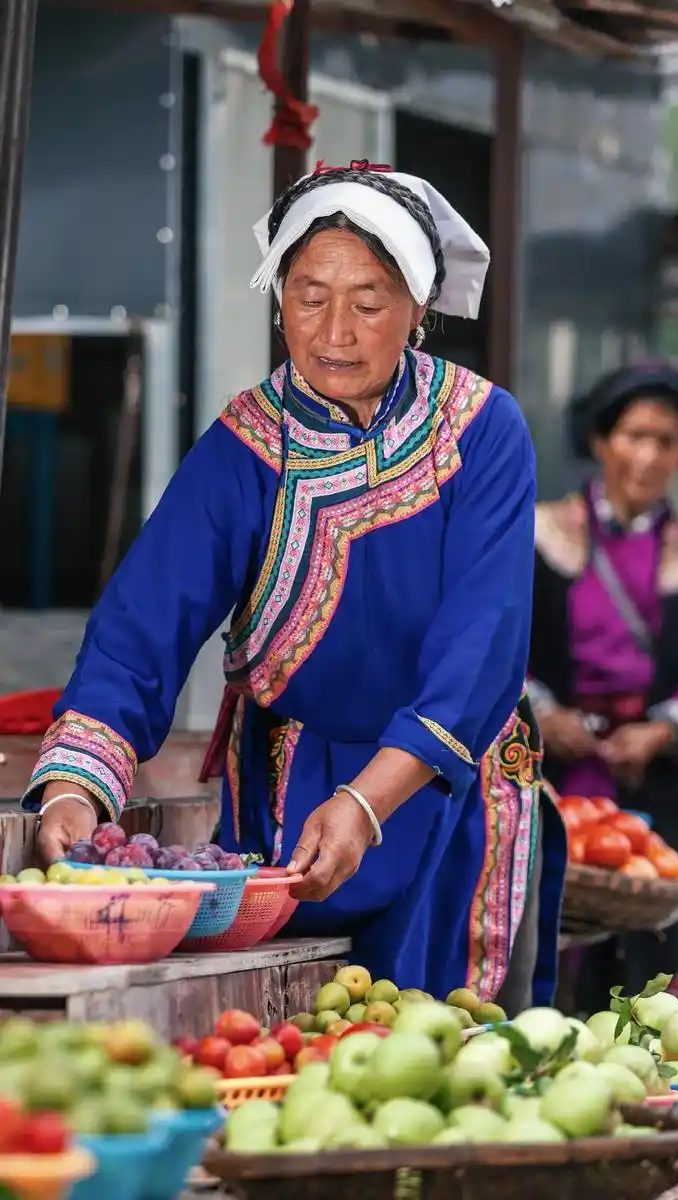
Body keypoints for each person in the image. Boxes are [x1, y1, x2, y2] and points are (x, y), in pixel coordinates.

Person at [22, 160, 566, 1012]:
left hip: (448, 788)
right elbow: (143, 625)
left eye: (369, 300)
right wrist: (76, 786)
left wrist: (369, 800)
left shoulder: (483, 431)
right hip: (290, 797)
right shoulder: (245, 444)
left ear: (418, 310)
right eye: (309, 296)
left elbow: (483, 644)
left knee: (445, 1048)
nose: (335, 331)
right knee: (298, 1041)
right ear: (278, 301)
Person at [527, 361, 678, 1009]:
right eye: (633, 435)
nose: (648, 456)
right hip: (558, 777)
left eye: (667, 441)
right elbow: (499, 638)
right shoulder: (540, 535)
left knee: (661, 970)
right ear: (601, 440)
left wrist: (663, 730)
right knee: (551, 948)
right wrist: (541, 712)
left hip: (663, 782)